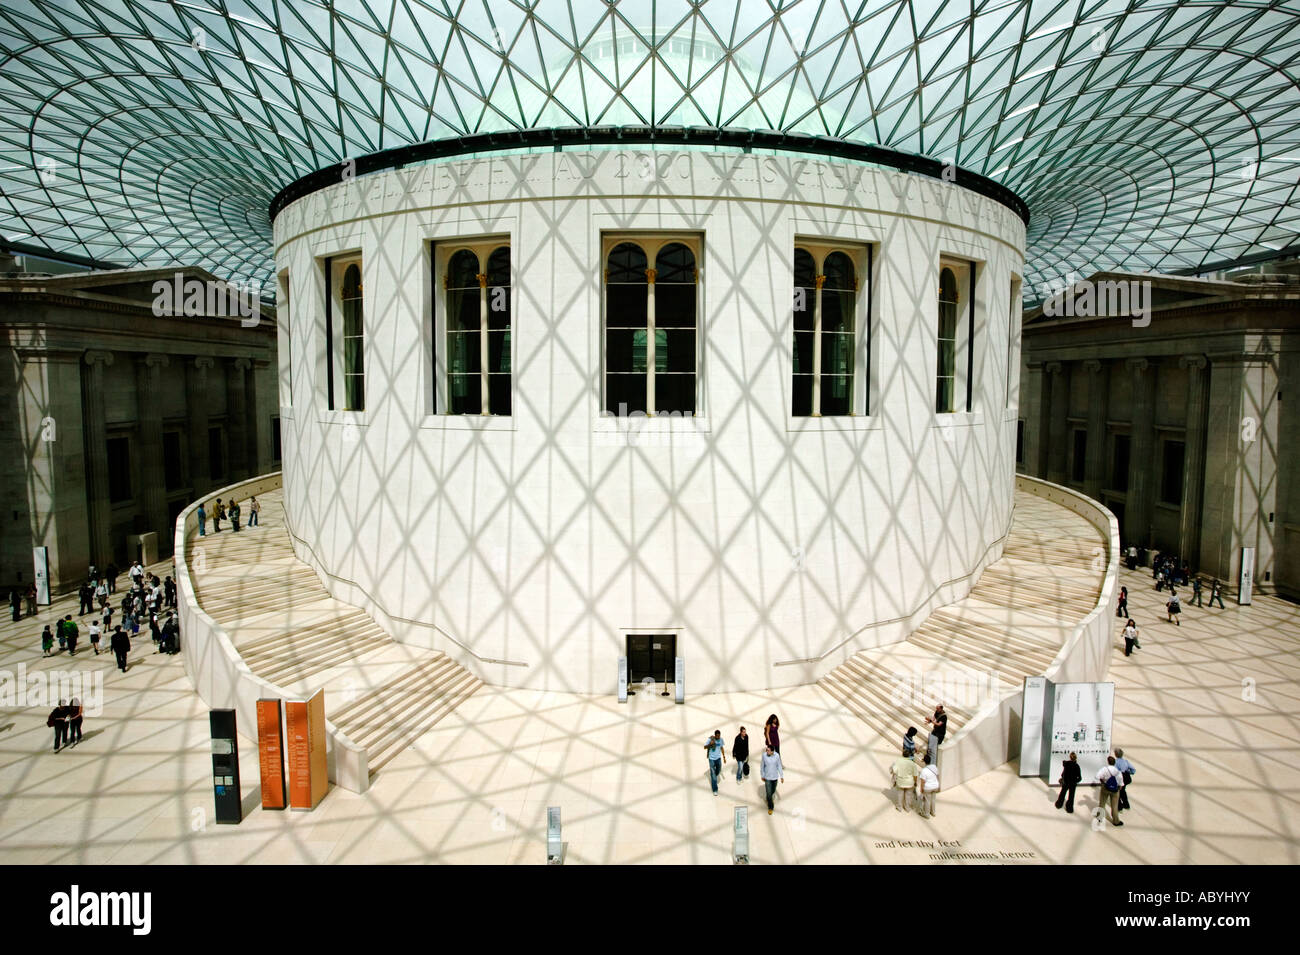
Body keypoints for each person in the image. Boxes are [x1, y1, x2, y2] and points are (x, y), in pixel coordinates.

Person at [1096, 756, 1124, 827]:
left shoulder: (1104, 769)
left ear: (1108, 762)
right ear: (1114, 763)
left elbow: (1097, 776)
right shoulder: (1118, 771)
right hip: (1115, 790)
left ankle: (1100, 817)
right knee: (1114, 806)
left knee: (1102, 802)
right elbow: (1121, 783)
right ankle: (1116, 821)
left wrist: (1103, 782)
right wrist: (1118, 789)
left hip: (1105, 788)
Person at [760, 744, 784, 815]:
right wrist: (762, 775)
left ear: (772, 751)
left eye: (768, 750)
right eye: (766, 750)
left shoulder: (777, 756)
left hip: (775, 777)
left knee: (772, 790)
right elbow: (762, 766)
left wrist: (781, 776)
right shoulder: (764, 755)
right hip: (767, 777)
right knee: (768, 792)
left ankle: (768, 798)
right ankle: (771, 807)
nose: (766, 751)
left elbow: (779, 766)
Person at [704, 730, 726, 795]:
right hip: (711, 759)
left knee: (718, 770)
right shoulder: (710, 739)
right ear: (715, 735)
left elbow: (722, 748)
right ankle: (715, 790)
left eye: (719, 736)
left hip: (718, 758)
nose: (718, 737)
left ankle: (713, 776)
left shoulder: (721, 739)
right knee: (713, 775)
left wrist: (724, 757)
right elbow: (704, 747)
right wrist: (709, 744)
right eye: (717, 736)